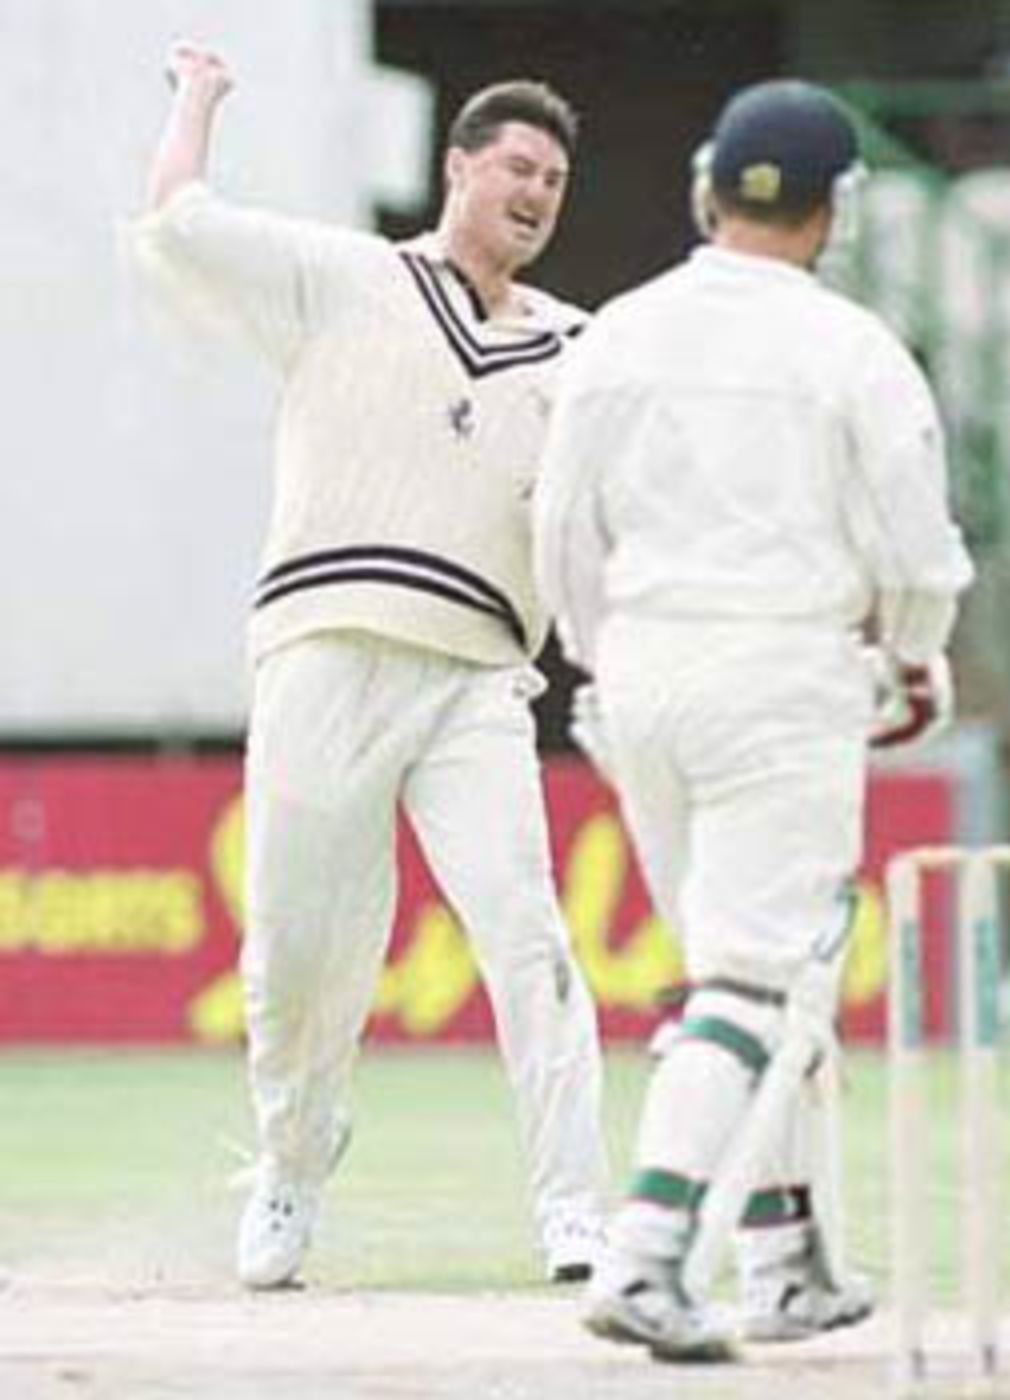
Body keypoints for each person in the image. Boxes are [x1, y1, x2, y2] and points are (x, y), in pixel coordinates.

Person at [133, 43, 608, 1290]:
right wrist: (201, 96)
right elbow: (180, 222)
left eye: (556, 178)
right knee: (301, 949)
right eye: (517, 165)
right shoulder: (347, 278)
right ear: (458, 167)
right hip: (325, 649)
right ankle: (292, 1159)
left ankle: (576, 1210)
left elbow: (619, 516)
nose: (538, 192)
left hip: (476, 681)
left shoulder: (580, 349)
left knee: (527, 932)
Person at [535, 78, 974, 1361]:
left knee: (734, 973)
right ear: (835, 209)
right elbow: (919, 555)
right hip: (781, 676)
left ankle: (787, 1257)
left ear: (703, 187)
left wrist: (601, 662)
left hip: (646, 679)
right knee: (757, 971)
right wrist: (911, 660)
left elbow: (563, 527)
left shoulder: (617, 332)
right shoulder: (853, 350)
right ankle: (649, 1251)